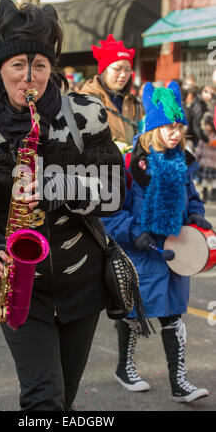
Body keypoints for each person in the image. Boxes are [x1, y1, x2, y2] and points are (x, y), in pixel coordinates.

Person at [0, 0, 125, 411]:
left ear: (51, 68)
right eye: (18, 66)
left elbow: (115, 191)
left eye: (40, 65)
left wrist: (53, 186)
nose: (30, 77)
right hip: (18, 286)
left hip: (82, 283)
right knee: (42, 398)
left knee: (64, 398)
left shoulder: (86, 115)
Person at [102, 81, 211, 403]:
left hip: (175, 249)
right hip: (141, 250)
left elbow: (192, 199)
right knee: (133, 314)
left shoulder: (183, 163)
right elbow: (110, 210)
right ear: (153, 127)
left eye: (179, 126)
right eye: (168, 126)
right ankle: (125, 368)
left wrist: (196, 215)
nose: (175, 133)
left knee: (174, 316)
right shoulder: (129, 163)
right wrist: (131, 231)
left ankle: (180, 382)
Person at [80, 35, 142, 148]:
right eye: (117, 69)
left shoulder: (132, 101)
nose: (123, 75)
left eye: (128, 70)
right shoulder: (85, 100)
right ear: (104, 70)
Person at [195, 113, 216, 202]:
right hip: (205, 162)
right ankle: (205, 196)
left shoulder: (214, 138)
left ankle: (214, 195)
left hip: (213, 162)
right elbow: (199, 150)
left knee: (214, 181)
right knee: (204, 181)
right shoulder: (204, 138)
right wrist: (196, 158)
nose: (207, 127)